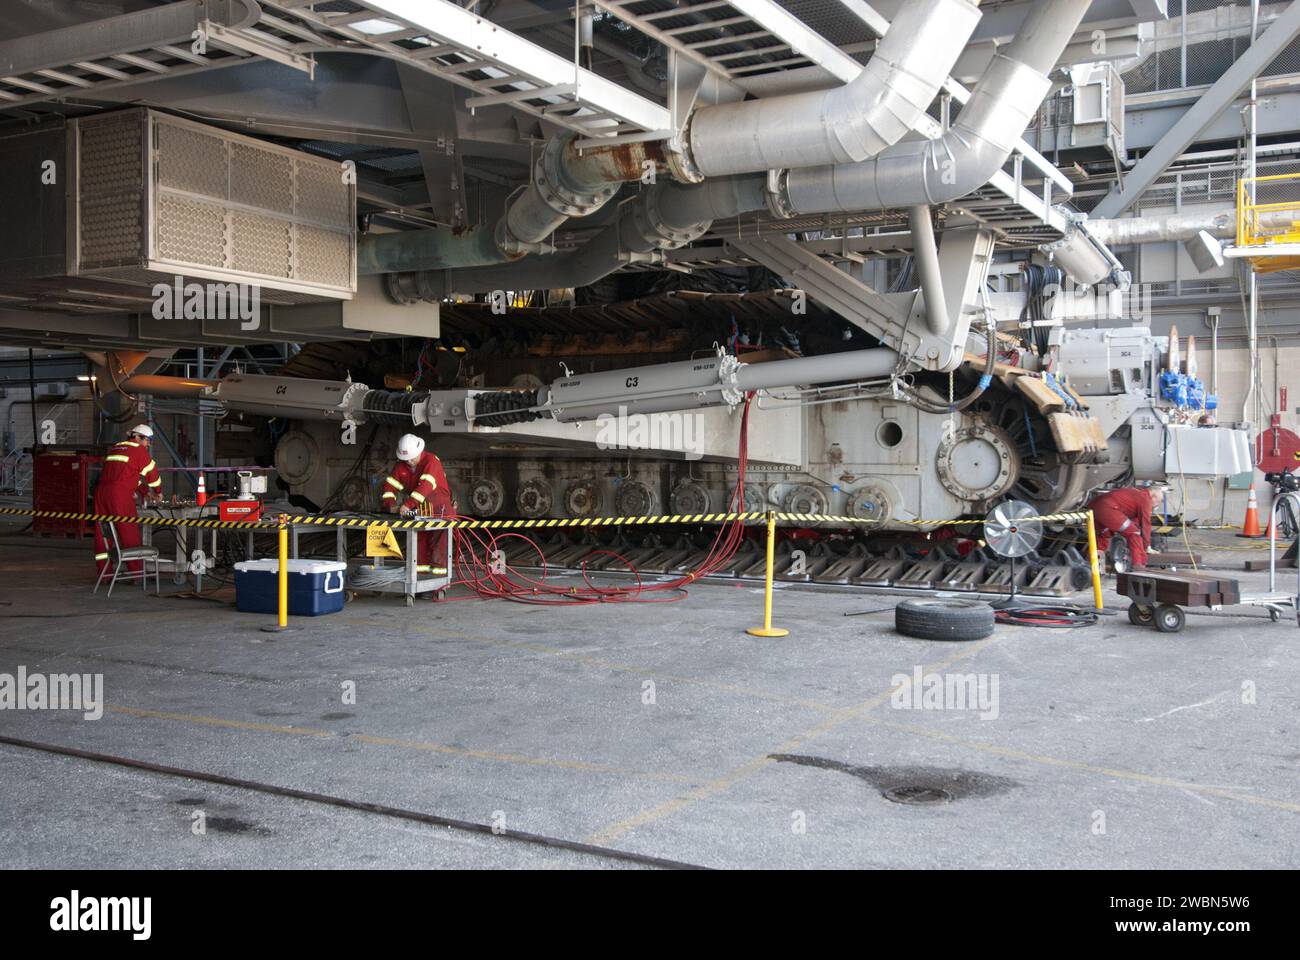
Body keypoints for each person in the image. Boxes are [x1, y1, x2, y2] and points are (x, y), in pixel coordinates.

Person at [93, 424, 163, 575]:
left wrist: (145, 491)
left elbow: (126, 476)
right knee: (129, 531)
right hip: (119, 495)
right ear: (137, 437)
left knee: (103, 534)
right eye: (148, 440)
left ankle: (104, 572)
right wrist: (158, 492)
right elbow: (153, 474)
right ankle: (137, 573)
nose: (148, 444)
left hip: (101, 494)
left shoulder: (117, 448)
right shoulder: (138, 450)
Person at [381, 433, 452, 573]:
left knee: (438, 545)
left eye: (412, 457)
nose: (409, 461)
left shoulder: (431, 461)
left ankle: (438, 581)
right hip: (419, 511)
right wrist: (390, 504)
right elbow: (390, 486)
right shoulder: (401, 466)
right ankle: (420, 576)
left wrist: (407, 505)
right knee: (419, 543)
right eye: (406, 458)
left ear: (420, 451)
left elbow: (425, 486)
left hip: (439, 510)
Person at [1089, 483, 1164, 570]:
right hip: (1109, 508)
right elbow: (1145, 524)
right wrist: (1147, 546)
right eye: (1158, 501)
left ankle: (1094, 567)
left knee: (1103, 535)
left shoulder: (1136, 493)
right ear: (1153, 497)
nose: (1156, 504)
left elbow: (1135, 520)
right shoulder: (1145, 499)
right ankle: (1138, 564)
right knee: (1134, 532)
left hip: (1095, 506)